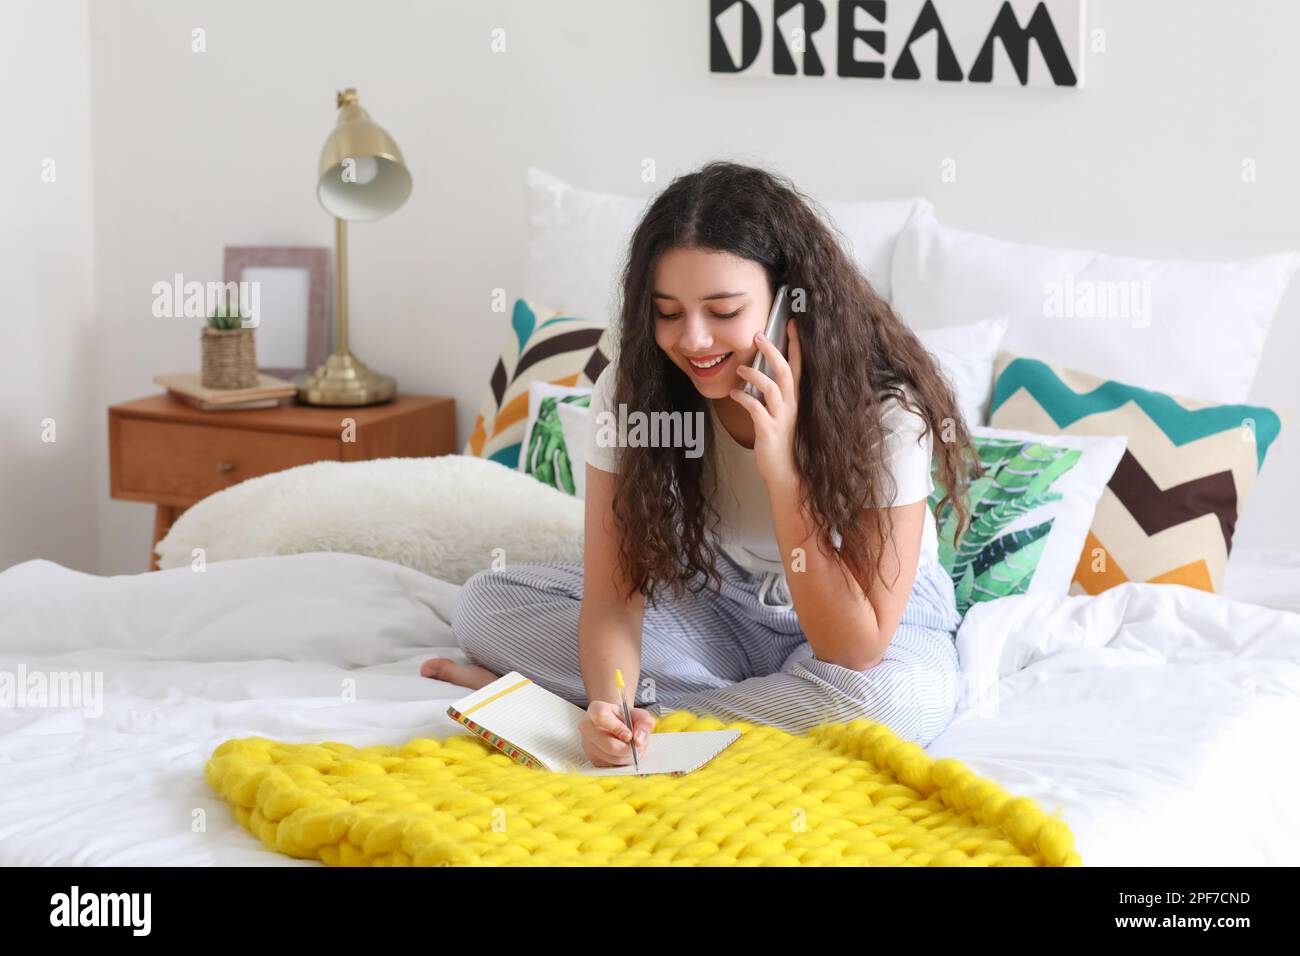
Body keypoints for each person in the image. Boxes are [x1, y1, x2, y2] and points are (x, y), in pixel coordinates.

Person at [422, 161, 979, 767]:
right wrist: (611, 701)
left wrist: (784, 475)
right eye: (668, 312)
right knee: (484, 605)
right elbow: (614, 597)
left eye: (722, 311)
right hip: (719, 603)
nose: (692, 340)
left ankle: (617, 714)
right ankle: (692, 716)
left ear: (787, 305)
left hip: (870, 623)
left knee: (889, 704)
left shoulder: (885, 412)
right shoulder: (635, 392)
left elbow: (854, 649)